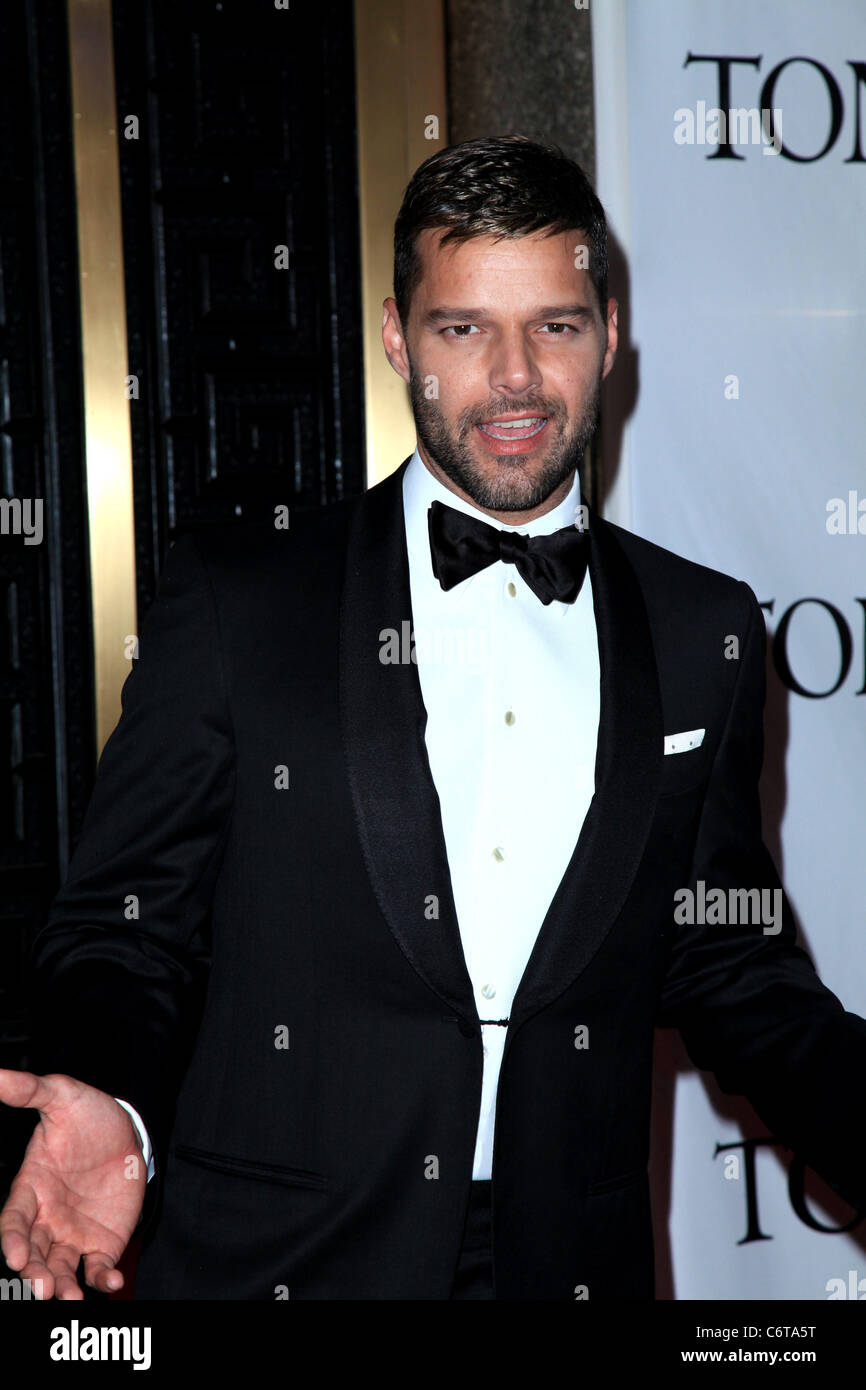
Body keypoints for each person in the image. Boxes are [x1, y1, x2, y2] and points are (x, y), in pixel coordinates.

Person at [1, 134, 864, 1302]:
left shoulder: (698, 629)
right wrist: (106, 1090)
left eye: (553, 325)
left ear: (608, 337)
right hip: (284, 1265)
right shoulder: (240, 606)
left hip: (566, 1265)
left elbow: (725, 962)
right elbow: (124, 926)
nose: (513, 378)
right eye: (465, 328)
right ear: (401, 338)